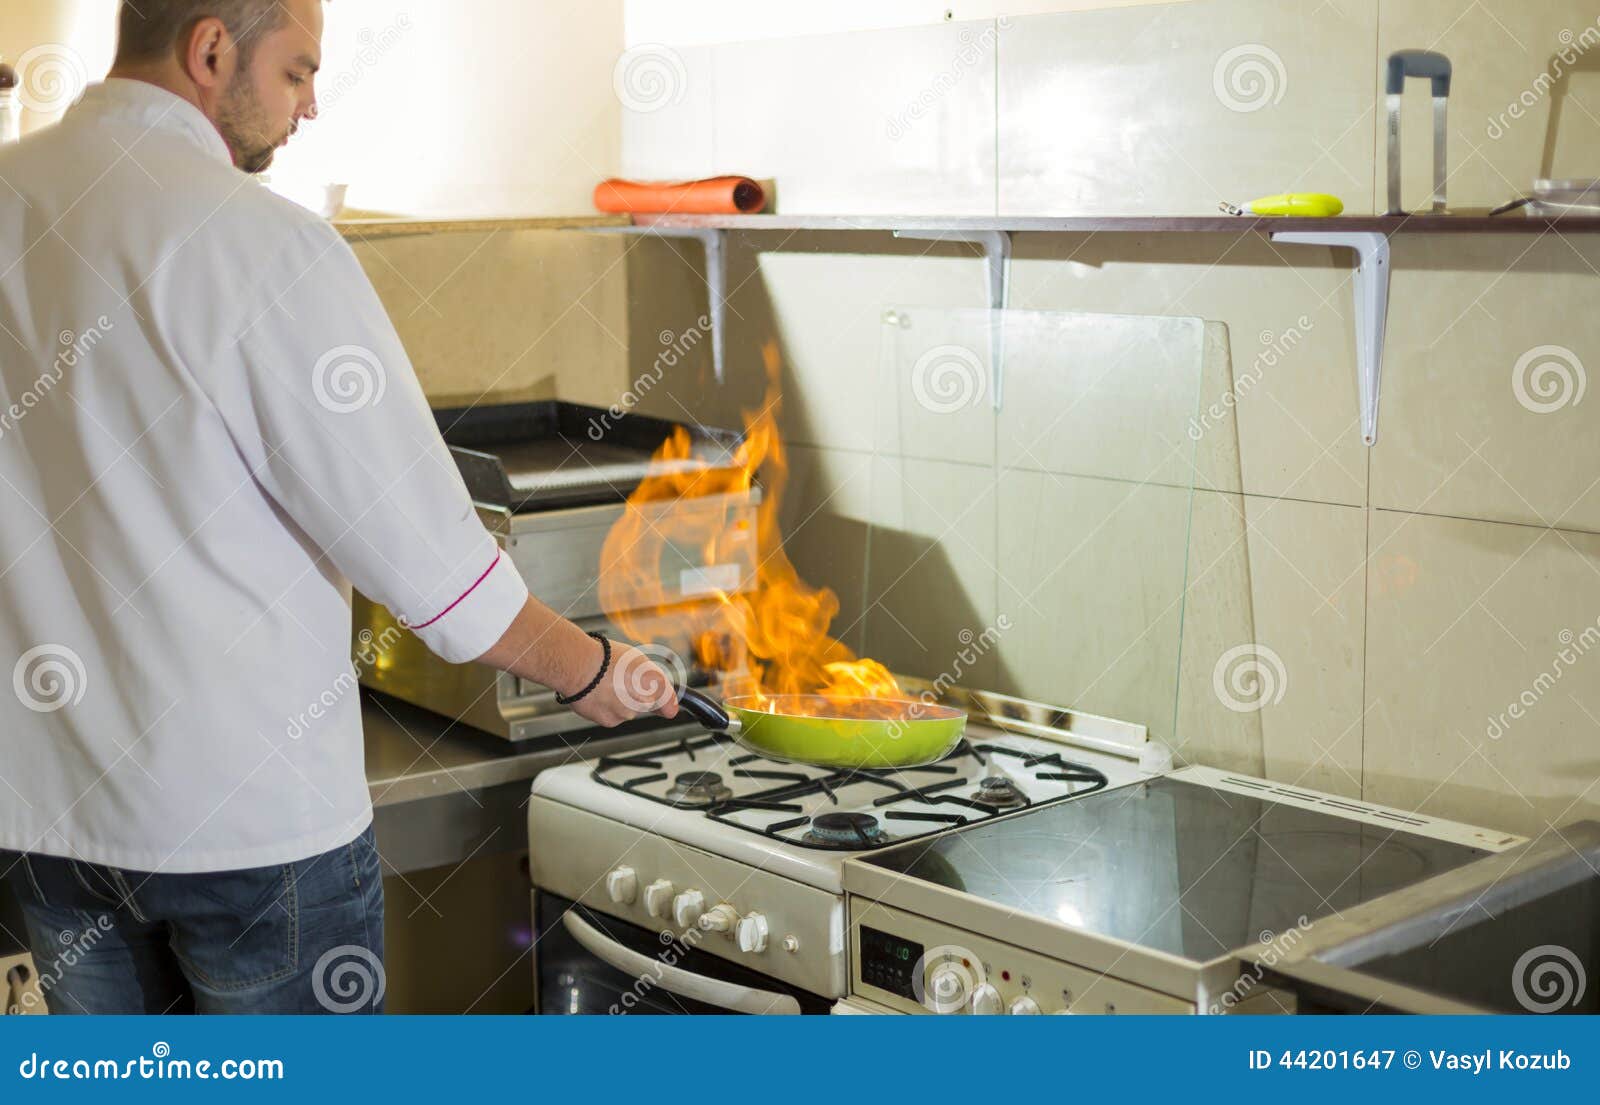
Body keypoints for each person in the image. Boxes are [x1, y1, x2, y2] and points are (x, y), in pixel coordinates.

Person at [0, 0, 677, 1014]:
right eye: (296, 73)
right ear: (212, 48)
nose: (311, 105)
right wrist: (590, 668)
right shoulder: (264, 243)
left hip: (46, 819)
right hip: (251, 838)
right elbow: (431, 563)